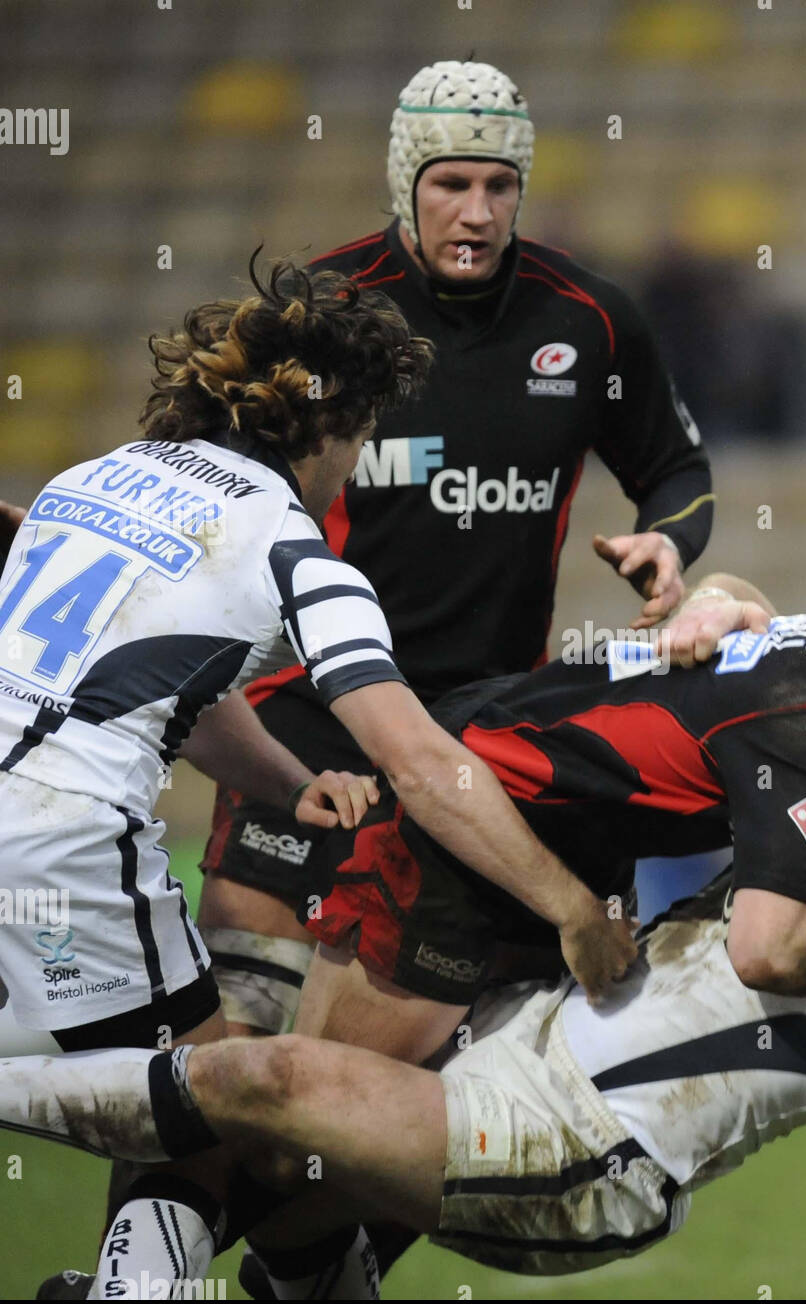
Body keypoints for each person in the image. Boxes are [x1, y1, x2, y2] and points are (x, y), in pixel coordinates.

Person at [0, 256, 642, 1300]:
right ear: (330, 430)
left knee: (210, 1111)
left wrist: (290, 778)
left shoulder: (90, 479)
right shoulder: (296, 549)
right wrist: (571, 907)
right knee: (217, 1122)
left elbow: (156, 683)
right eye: (362, 436)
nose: (355, 463)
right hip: (67, 852)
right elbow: (423, 761)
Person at [0, 718, 806, 1290]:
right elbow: (768, 691)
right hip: (528, 1025)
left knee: (270, 1084)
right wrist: (715, 597)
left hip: (595, 1147)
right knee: (278, 1171)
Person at [197, 58, 716, 1040]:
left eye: (498, 186)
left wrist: (667, 538)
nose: (475, 212)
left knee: (437, 1046)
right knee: (241, 1025)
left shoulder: (592, 322)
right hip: (313, 709)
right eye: (450, 184)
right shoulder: (326, 311)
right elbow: (230, 483)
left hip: (483, 727)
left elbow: (681, 470)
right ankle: (179, 1200)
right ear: (407, 185)